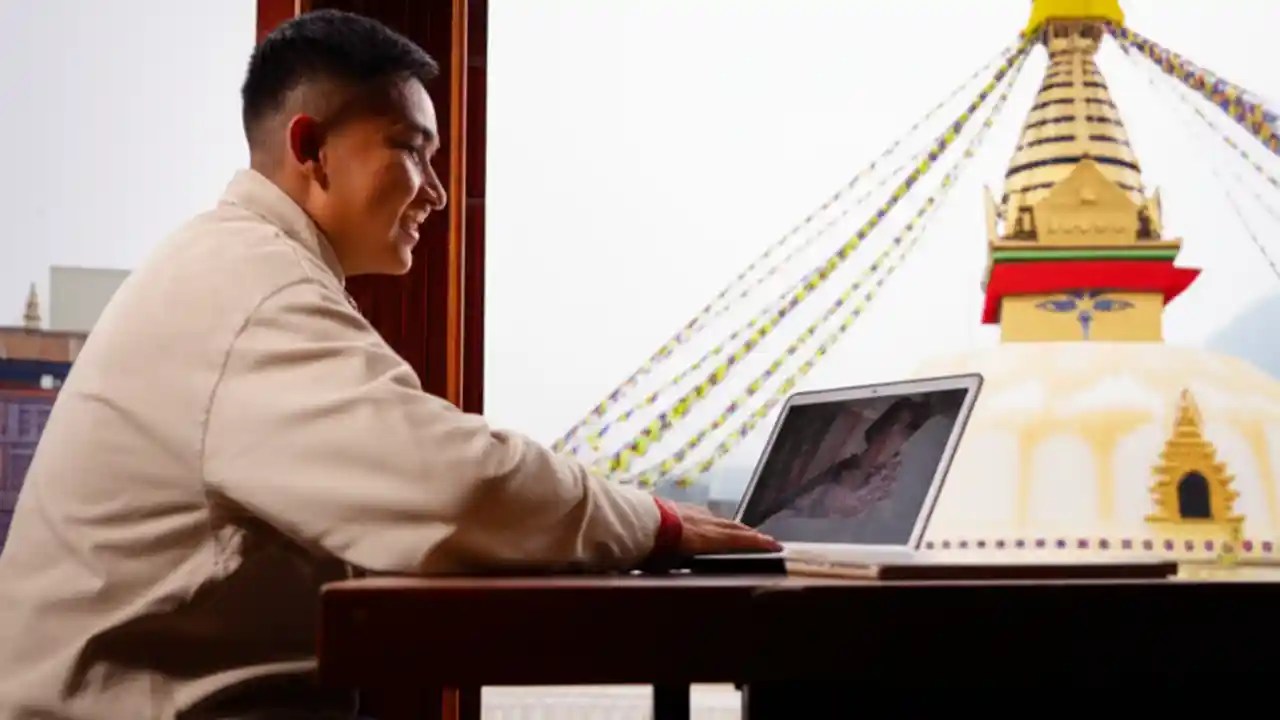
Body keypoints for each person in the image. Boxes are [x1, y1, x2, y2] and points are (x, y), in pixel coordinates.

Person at [0, 10, 778, 720]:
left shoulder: (235, 264)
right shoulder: (254, 291)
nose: (437, 192)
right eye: (411, 149)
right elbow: (458, 484)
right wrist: (655, 522)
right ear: (312, 149)